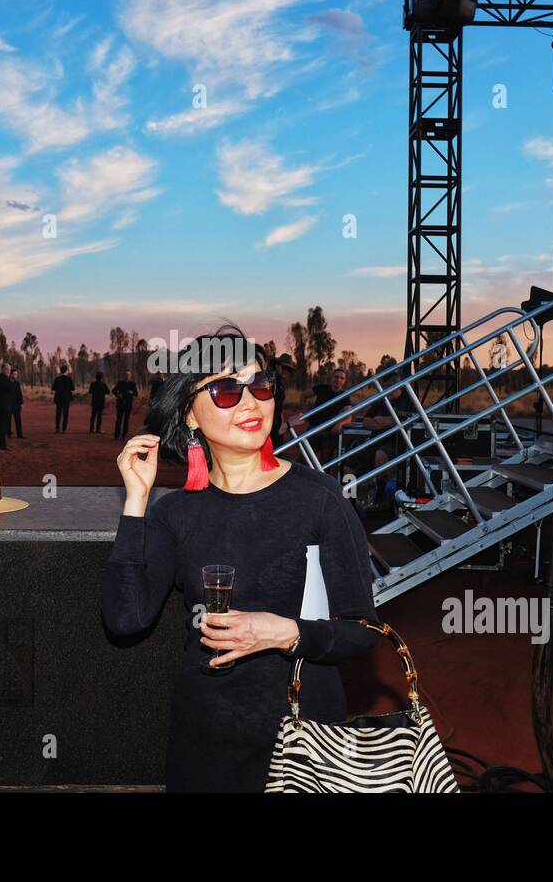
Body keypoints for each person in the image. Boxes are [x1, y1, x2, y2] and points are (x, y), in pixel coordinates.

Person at [102, 325, 380, 792]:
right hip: (207, 745)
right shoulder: (175, 513)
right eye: (228, 389)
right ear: (190, 415)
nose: (252, 402)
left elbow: (362, 633)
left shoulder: (321, 500)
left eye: (261, 384)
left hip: (305, 744)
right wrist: (136, 502)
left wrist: (284, 632)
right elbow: (126, 619)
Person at [270, 353, 296, 447]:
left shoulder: (281, 385)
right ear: (277, 366)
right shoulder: (271, 381)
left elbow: (279, 408)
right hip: (270, 427)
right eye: (283, 367)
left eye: (288, 369)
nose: (286, 371)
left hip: (278, 425)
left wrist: (282, 424)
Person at [0, 363, 16, 450]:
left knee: (1, 425)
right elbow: (11, 388)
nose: (8, 371)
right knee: (3, 425)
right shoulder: (2, 379)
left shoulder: (5, 379)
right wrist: (13, 381)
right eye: (7, 369)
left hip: (4, 404)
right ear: (3, 369)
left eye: (9, 370)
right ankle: (2, 444)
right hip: (3, 405)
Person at [112, 372, 138, 440]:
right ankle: (116, 435)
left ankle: (124, 435)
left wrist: (131, 392)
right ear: (124, 376)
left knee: (126, 420)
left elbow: (136, 393)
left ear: (131, 376)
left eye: (129, 375)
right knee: (119, 420)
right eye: (126, 375)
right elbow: (113, 390)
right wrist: (118, 395)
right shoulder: (120, 383)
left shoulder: (133, 384)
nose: (127, 376)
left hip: (128, 404)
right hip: (120, 403)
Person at [52, 364, 75, 433]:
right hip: (66, 399)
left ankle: (57, 428)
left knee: (58, 413)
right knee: (65, 413)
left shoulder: (57, 379)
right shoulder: (69, 379)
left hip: (59, 398)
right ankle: (64, 429)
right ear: (66, 371)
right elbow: (73, 388)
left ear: (61, 371)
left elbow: (53, 388)